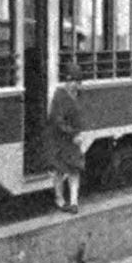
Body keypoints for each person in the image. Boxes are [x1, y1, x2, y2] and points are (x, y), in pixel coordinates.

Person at [48, 64, 87, 214]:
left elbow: (81, 115)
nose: (73, 85)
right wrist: (72, 134)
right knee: (59, 170)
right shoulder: (59, 96)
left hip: (74, 138)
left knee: (74, 169)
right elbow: (56, 120)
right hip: (60, 138)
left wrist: (79, 133)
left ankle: (74, 202)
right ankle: (59, 199)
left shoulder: (79, 95)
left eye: (76, 81)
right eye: (70, 81)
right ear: (66, 81)